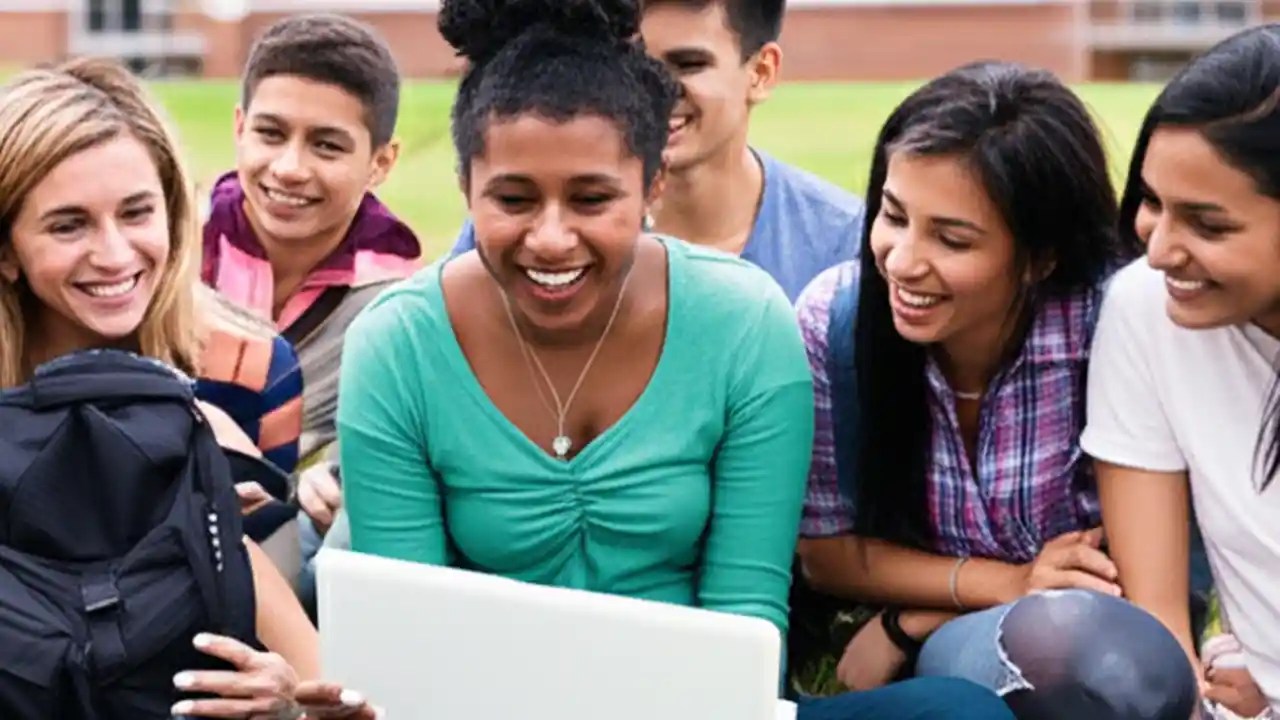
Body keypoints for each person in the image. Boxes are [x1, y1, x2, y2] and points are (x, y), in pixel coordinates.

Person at [337, 1, 1013, 719]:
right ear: (468, 187)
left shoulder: (743, 323)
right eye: (514, 199)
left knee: (955, 712)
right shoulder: (397, 346)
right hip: (483, 708)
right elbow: (408, 638)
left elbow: (745, 615)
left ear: (653, 184)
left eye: (594, 198)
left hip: (700, 704)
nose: (552, 238)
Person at [792, 61, 1200, 719]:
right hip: (1003, 635)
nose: (901, 260)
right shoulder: (835, 322)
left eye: (951, 238)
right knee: (1065, 654)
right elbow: (828, 557)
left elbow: (1134, 572)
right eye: (893, 215)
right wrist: (1009, 583)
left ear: (1042, 256)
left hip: (1119, 628)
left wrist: (909, 620)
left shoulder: (1113, 321)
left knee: (1095, 660)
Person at [0, 56, 376, 719]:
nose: (115, 254)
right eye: (68, 224)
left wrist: (285, 694)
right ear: (6, 249)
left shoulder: (239, 379)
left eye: (137, 213)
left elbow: (312, 668)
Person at [1081, 23, 1280, 719]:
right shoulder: (1145, 309)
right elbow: (1157, 625)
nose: (1160, 249)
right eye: (1152, 202)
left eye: (1208, 224)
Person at [198, 12, 423, 610]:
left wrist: (333, 492)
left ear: (381, 162)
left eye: (326, 145)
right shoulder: (167, 249)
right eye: (271, 133)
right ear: (240, 128)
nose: (290, 168)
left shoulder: (398, 310)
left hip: (275, 553)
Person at [449, 0, 864, 302]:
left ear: (761, 72)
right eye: (635, 63)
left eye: (688, 64)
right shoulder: (523, 231)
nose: (657, 91)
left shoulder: (842, 243)